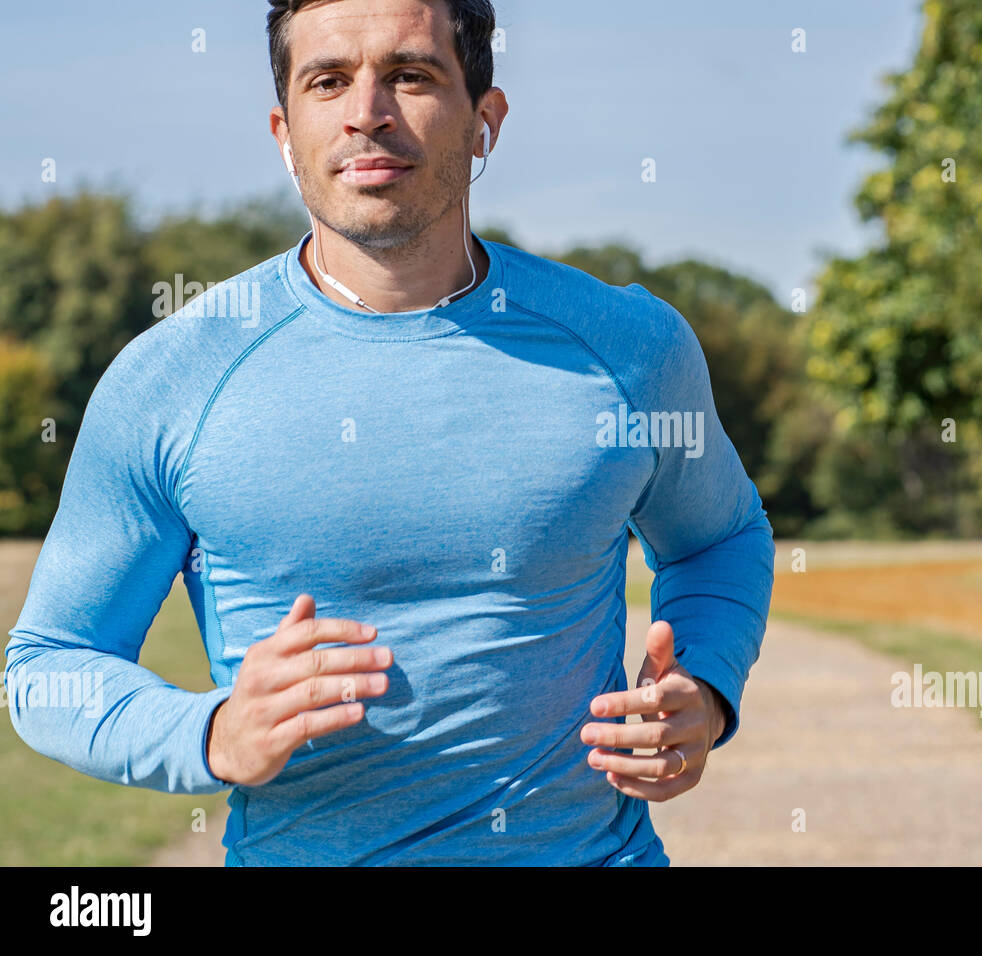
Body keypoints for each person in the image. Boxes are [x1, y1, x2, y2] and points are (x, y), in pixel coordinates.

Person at [4, 0, 774, 866]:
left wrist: (702, 689)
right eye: (327, 81)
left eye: (410, 75)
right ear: (284, 133)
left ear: (486, 120)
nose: (366, 112)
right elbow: (50, 664)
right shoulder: (170, 378)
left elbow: (721, 538)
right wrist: (211, 731)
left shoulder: (631, 349)